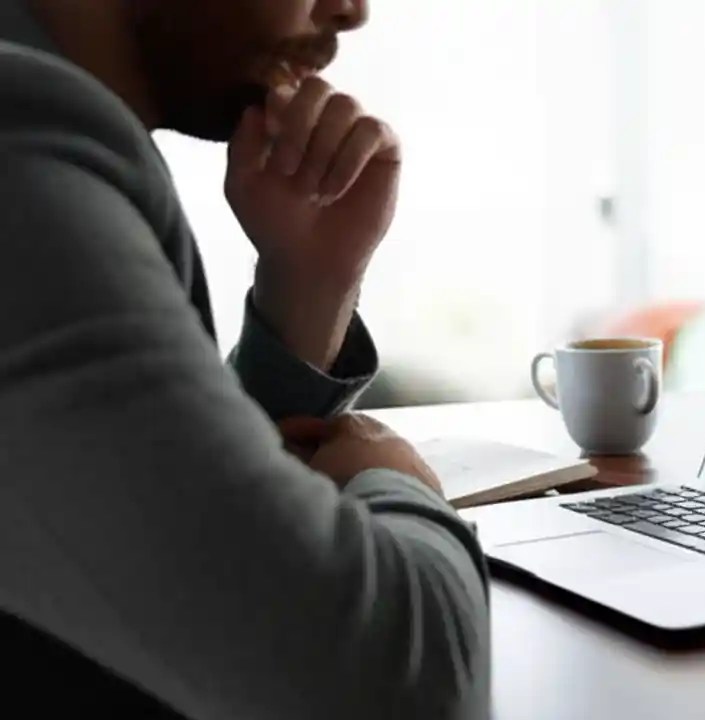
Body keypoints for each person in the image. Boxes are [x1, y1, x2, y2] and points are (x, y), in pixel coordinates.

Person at [0, 3, 488, 718]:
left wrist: (307, 289)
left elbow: (152, 552)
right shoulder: (22, 158)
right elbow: (402, 688)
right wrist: (401, 483)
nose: (352, 11)